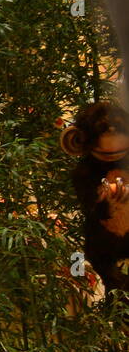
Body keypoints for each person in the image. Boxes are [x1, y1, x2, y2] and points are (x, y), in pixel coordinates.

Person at [67, 101, 129, 294]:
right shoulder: (85, 173)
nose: (111, 133)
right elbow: (91, 207)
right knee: (117, 295)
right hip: (106, 248)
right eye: (103, 129)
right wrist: (102, 198)